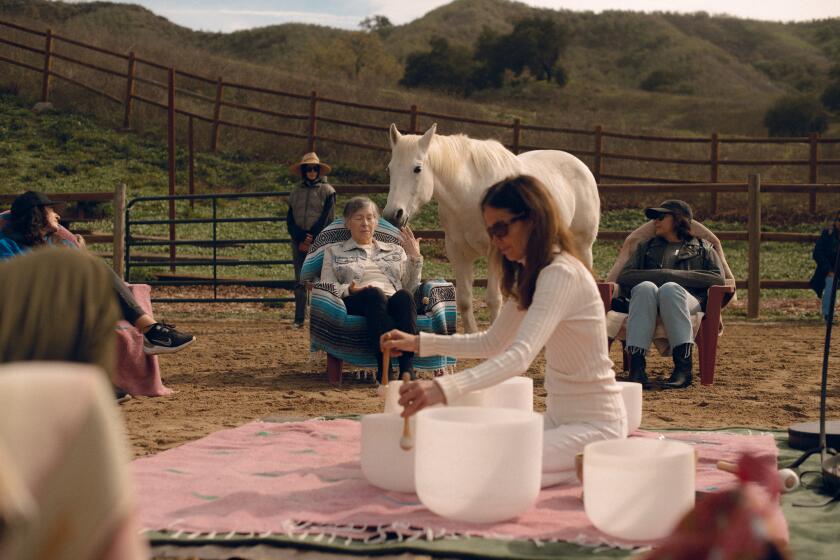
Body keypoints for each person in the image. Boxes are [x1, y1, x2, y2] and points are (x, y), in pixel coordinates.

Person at [383, 175, 627, 488]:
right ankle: (574, 469)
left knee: (483, 469)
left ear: (532, 219)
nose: (495, 240)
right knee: (471, 454)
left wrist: (442, 388)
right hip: (559, 421)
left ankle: (589, 466)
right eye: (490, 232)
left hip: (598, 427)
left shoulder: (561, 274)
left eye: (501, 228)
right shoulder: (532, 273)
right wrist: (418, 342)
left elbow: (519, 356)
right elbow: (493, 342)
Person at [0, 191, 195, 355]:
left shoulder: (61, 243)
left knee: (95, 267)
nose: (57, 215)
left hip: (72, 301)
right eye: (51, 210)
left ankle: (151, 331)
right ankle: (150, 333)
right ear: (36, 213)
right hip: (33, 308)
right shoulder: (6, 245)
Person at [616, 200, 725, 389]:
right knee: (645, 287)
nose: (655, 222)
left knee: (670, 289)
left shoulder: (703, 247)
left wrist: (670, 277)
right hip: (647, 302)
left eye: (661, 217)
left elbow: (717, 279)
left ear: (678, 219)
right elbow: (625, 276)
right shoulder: (646, 247)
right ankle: (637, 369)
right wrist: (663, 276)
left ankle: (683, 370)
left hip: (688, 300)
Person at [321, 196, 422, 383]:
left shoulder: (395, 250)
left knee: (405, 297)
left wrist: (414, 258)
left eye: (370, 218)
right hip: (357, 299)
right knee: (374, 294)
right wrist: (350, 290)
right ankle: (384, 368)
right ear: (347, 223)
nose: (365, 223)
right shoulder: (334, 251)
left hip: (391, 298)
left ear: (376, 222)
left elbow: (411, 286)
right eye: (358, 218)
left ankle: (407, 369)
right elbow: (327, 285)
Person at [287, 152, 337, 328]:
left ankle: (321, 319)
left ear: (319, 170)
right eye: (308, 169)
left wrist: (312, 238)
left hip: (320, 242)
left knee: (321, 280)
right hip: (299, 241)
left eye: (314, 169)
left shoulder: (328, 191)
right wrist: (300, 236)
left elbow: (327, 218)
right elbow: (290, 219)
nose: (312, 172)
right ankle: (299, 318)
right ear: (303, 171)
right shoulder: (295, 192)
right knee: (300, 280)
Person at [809, 210, 840, 323]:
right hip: (829, 271)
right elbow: (817, 253)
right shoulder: (827, 234)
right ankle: (828, 314)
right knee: (831, 282)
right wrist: (828, 270)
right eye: (839, 220)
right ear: (835, 221)